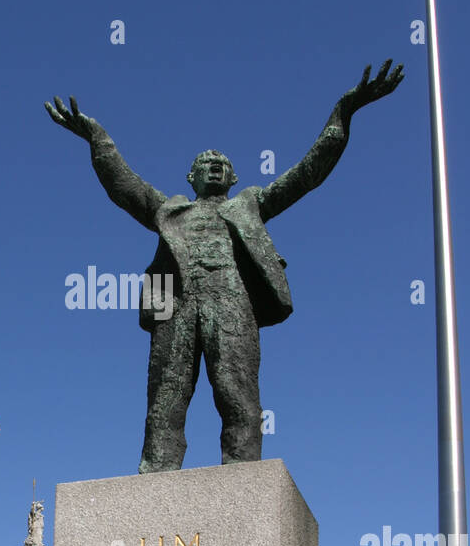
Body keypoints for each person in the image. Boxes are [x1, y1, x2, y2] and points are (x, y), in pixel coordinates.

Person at [45, 61, 404, 471]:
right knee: (165, 396)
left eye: (222, 163)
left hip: (231, 302)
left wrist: (344, 113)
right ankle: (157, 474)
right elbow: (124, 185)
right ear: (190, 176)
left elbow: (307, 174)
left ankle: (242, 474)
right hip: (174, 305)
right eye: (205, 162)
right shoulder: (170, 209)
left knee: (237, 393)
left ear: (233, 178)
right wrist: (98, 138)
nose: (214, 165)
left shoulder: (249, 204)